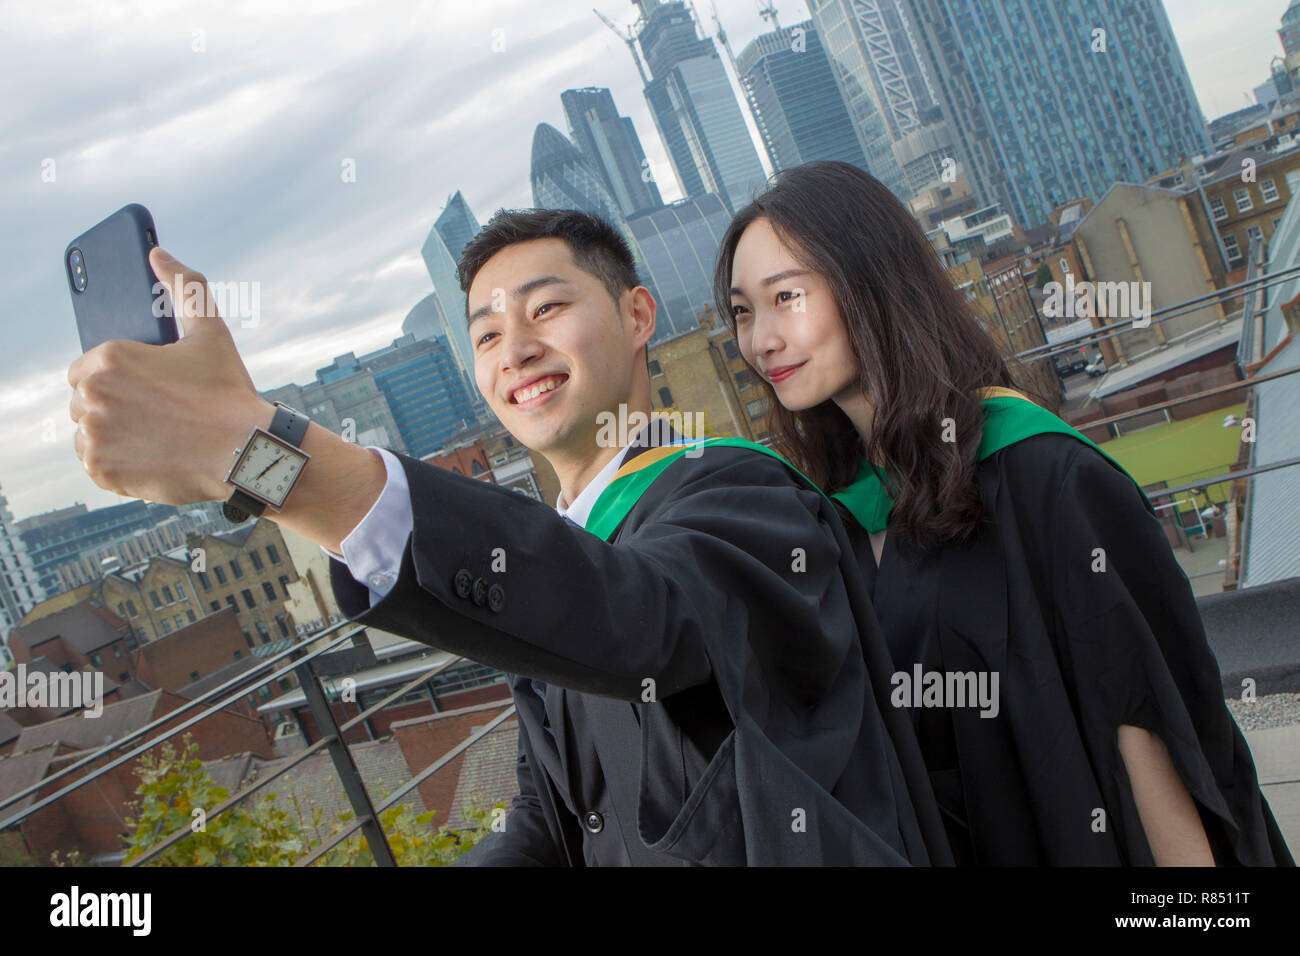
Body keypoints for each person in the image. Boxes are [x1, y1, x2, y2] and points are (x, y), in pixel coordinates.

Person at [67, 208, 950, 866]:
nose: (514, 349)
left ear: (639, 317)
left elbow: (640, 621)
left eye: (546, 309)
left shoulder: (740, 496)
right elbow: (550, 819)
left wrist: (257, 454)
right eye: (486, 335)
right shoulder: (567, 553)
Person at [714, 160, 1294, 867]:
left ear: (872, 284)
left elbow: (1146, 736)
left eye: (788, 297)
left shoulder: (1046, 477)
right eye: (744, 311)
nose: (761, 340)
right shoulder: (830, 519)